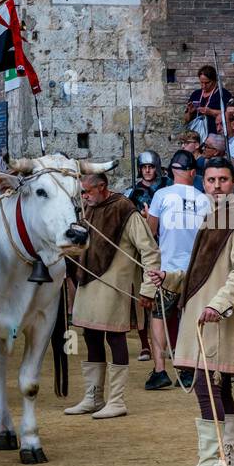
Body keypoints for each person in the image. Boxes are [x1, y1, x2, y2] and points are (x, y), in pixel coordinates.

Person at [149, 157, 234, 466]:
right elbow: (202, 274)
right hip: (212, 315)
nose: (217, 186)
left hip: (225, 318)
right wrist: (170, 278)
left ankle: (212, 465)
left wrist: (217, 305)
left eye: (223, 180)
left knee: (207, 385)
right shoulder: (213, 218)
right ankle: (231, 461)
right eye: (211, 180)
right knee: (221, 386)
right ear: (203, 183)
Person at [64, 171, 160, 420]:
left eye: (87, 191)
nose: (83, 196)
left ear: (102, 187)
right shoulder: (88, 209)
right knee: (91, 337)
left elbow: (149, 251)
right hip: (89, 282)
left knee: (115, 338)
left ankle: (117, 401)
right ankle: (93, 397)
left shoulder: (124, 209)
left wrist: (148, 289)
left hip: (116, 284)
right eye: (82, 192)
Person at [145, 152, 211, 391]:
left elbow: (150, 231)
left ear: (172, 171)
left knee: (159, 317)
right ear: (193, 172)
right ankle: (186, 370)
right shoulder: (204, 199)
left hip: (168, 269)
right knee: (189, 319)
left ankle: (160, 369)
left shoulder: (161, 195)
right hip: (195, 270)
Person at [184, 64, 232, 140]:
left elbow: (230, 114)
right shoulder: (196, 94)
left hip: (214, 135)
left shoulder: (223, 94)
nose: (203, 86)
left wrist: (211, 112)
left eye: (207, 83)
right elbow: (186, 120)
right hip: (195, 136)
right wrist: (190, 112)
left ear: (214, 81)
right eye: (201, 82)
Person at [127, 149, 168, 214]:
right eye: (144, 167)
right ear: (140, 169)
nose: (147, 170)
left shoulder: (166, 185)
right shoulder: (133, 192)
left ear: (157, 168)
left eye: (151, 167)